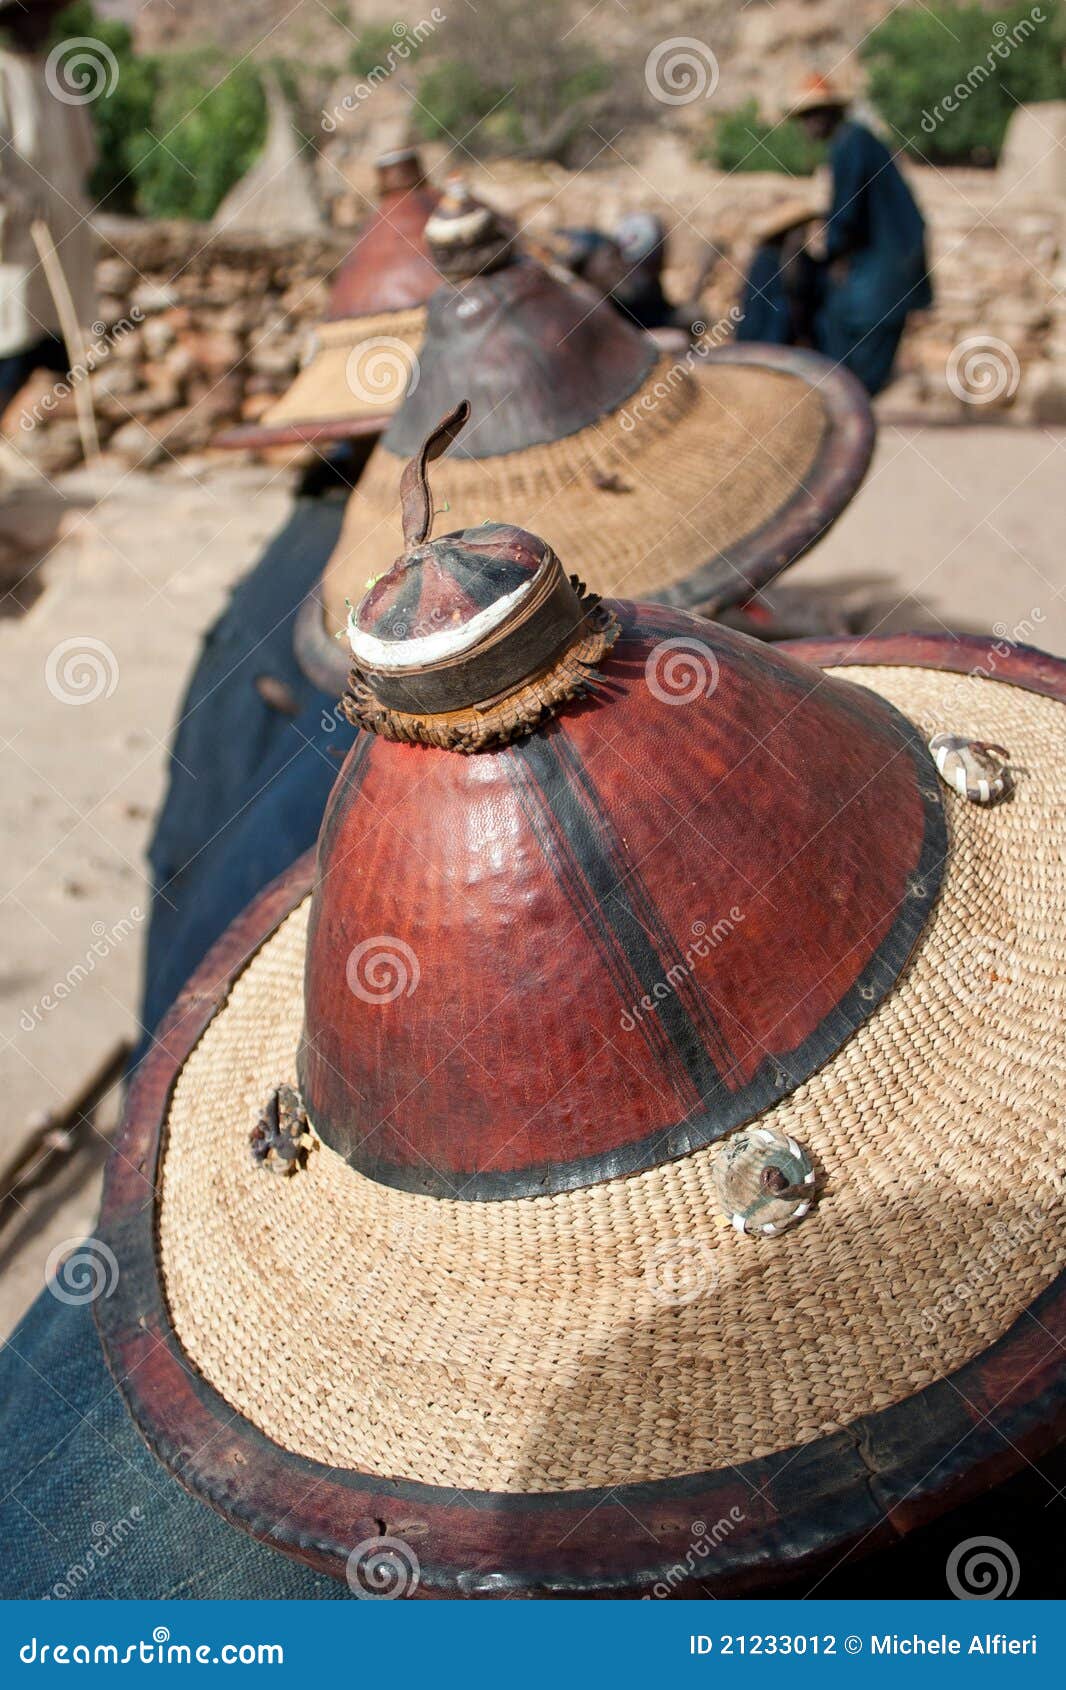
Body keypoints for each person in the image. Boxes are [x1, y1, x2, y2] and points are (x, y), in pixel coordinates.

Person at [793, 72, 932, 395]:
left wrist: (834, 251)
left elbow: (847, 211)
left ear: (831, 114)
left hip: (881, 274)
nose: (808, 126)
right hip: (887, 270)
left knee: (852, 361)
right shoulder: (857, 142)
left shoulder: (851, 144)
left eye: (813, 116)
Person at [0, 0, 97, 417]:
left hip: (65, 221)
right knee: (17, 323)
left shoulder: (62, 76)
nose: (39, 25)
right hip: (21, 226)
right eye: (30, 16)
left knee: (62, 324)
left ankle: (52, 424)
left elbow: (83, 154)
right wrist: (15, 200)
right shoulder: (2, 74)